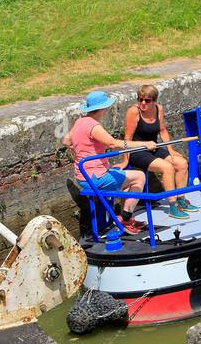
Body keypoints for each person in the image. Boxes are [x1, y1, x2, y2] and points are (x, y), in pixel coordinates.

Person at [65, 91, 155, 235]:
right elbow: (113, 144)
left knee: (128, 184)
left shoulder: (80, 121)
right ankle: (125, 219)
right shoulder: (94, 126)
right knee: (139, 177)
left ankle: (126, 215)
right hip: (96, 178)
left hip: (82, 177)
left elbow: (66, 140)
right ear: (103, 109)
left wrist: (82, 151)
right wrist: (145, 144)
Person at [123, 84, 194, 214]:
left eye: (147, 100)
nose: (142, 103)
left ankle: (181, 199)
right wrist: (125, 160)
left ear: (154, 101)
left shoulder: (159, 109)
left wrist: (170, 150)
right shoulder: (133, 112)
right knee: (167, 167)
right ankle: (172, 205)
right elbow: (127, 138)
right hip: (137, 151)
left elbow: (163, 131)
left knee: (182, 163)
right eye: (140, 99)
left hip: (154, 147)